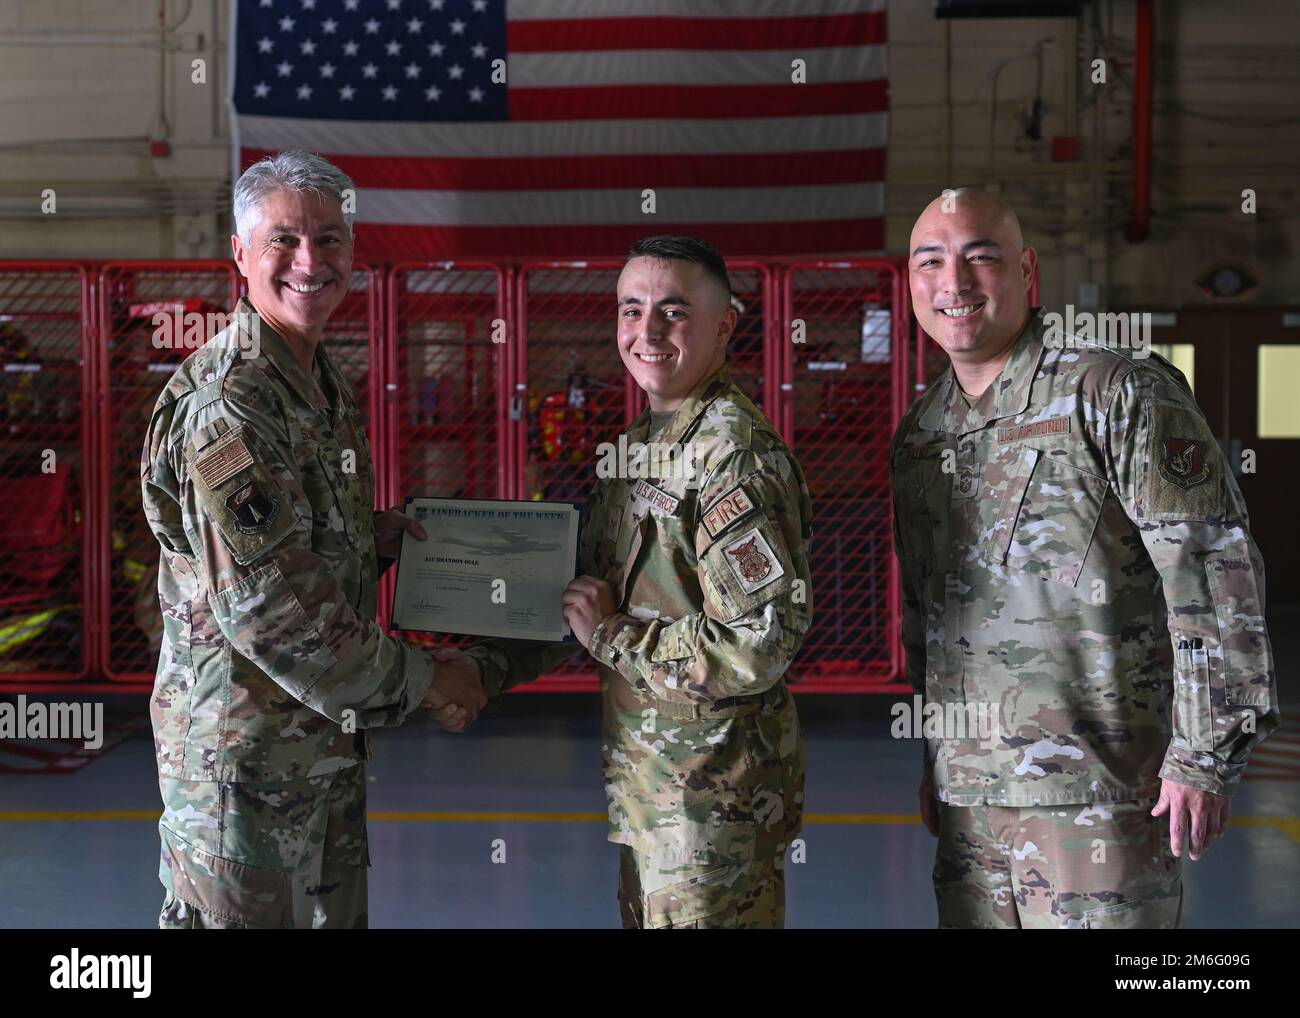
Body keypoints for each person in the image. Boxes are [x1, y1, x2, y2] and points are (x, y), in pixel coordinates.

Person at [891, 188, 1279, 928]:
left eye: (981, 257)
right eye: (931, 261)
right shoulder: (923, 432)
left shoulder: (1114, 389)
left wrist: (1205, 755)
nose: (955, 283)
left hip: (1101, 797)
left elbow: (1210, 566)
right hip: (971, 806)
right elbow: (929, 620)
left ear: (1027, 269)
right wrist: (935, 759)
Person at [139, 151, 485, 929]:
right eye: (284, 240)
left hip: (313, 761)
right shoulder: (232, 406)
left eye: (330, 239)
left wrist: (373, 539)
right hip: (245, 779)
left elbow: (287, 543)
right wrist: (428, 680)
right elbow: (270, 610)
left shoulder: (313, 379)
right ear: (240, 254)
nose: (310, 262)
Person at [438, 235, 814, 928]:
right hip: (654, 797)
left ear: (724, 324)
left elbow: (757, 645)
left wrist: (614, 637)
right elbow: (582, 595)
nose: (646, 331)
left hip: (714, 812)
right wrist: (482, 668)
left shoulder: (733, 458)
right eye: (630, 309)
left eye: (673, 312)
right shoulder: (642, 445)